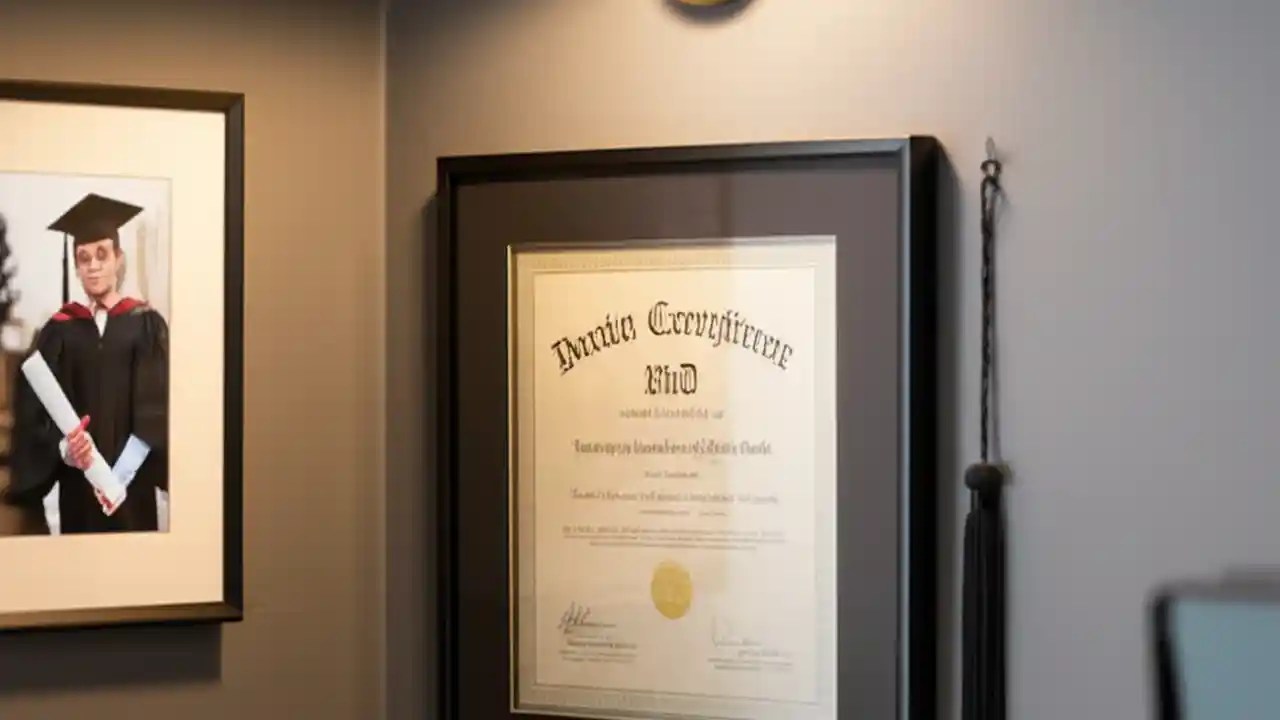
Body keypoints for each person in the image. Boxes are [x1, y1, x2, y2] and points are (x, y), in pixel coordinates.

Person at [5, 192, 168, 534]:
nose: (93, 265)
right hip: (78, 489)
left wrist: (116, 482)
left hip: (131, 491)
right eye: (83, 258)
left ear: (118, 259)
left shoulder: (146, 324)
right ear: (76, 267)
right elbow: (37, 417)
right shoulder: (58, 332)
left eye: (101, 255)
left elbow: (156, 409)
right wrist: (67, 450)